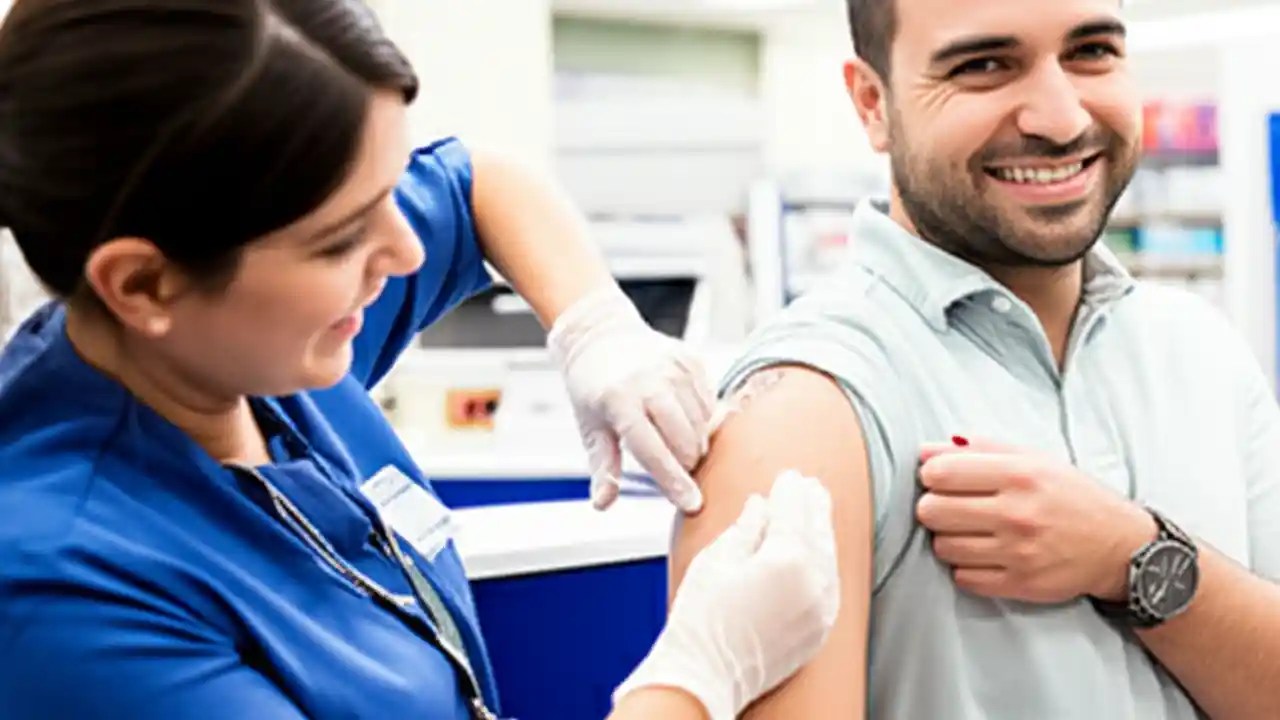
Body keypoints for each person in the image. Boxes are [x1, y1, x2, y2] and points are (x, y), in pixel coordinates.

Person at [0, 1, 841, 719]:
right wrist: (693, 682)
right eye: (339, 240)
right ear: (143, 284)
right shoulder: (67, 596)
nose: (403, 252)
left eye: (388, 189)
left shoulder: (243, 360)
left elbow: (479, 183)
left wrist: (595, 326)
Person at [674, 0, 1280, 718]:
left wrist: (1134, 558)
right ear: (873, 103)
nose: (1059, 119)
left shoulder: (1200, 350)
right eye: (984, 66)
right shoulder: (810, 401)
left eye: (1091, 52)